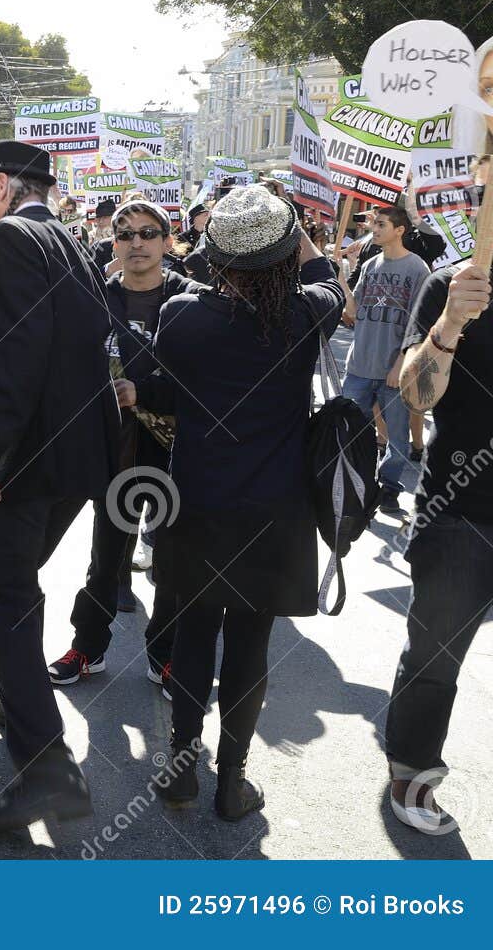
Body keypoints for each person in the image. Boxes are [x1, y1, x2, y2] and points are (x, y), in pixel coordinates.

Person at [148, 185, 341, 821]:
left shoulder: (180, 314)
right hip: (274, 509)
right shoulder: (307, 311)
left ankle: (180, 768)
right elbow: (327, 277)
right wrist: (292, 228)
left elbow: (166, 395)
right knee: (251, 644)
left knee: (193, 630)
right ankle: (231, 780)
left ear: (213, 252)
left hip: (196, 499)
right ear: (285, 254)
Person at [0, 139, 119, 833]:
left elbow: (16, 359)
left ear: (1, 186)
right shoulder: (62, 237)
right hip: (74, 458)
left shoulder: (15, 238)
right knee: (13, 584)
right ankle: (21, 701)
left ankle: (48, 770)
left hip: (30, 458)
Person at [49, 198, 199, 690]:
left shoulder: (192, 300)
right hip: (113, 451)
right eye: (126, 234)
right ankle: (87, 648)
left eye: (148, 233)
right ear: (114, 243)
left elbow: (211, 381)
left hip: (174, 451)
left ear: (167, 239)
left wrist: (145, 392)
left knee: (174, 563)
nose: (137, 242)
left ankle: (167, 655)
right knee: (107, 558)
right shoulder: (96, 297)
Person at [386, 157, 493, 835]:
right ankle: (411, 773)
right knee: (434, 655)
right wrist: (450, 324)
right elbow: (415, 393)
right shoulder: (452, 284)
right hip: (464, 510)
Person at [341, 205, 429, 513]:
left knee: (397, 439)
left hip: (395, 370)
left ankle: (390, 488)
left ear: (399, 230)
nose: (373, 229)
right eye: (373, 224)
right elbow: (353, 312)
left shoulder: (418, 269)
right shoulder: (370, 265)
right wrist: (341, 279)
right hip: (359, 367)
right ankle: (358, 484)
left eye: (380, 224)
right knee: (350, 430)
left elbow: (420, 322)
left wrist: (400, 363)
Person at [89, 197, 118, 274]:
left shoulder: (122, 238)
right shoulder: (90, 237)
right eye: (98, 218)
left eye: (105, 217)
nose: (101, 221)